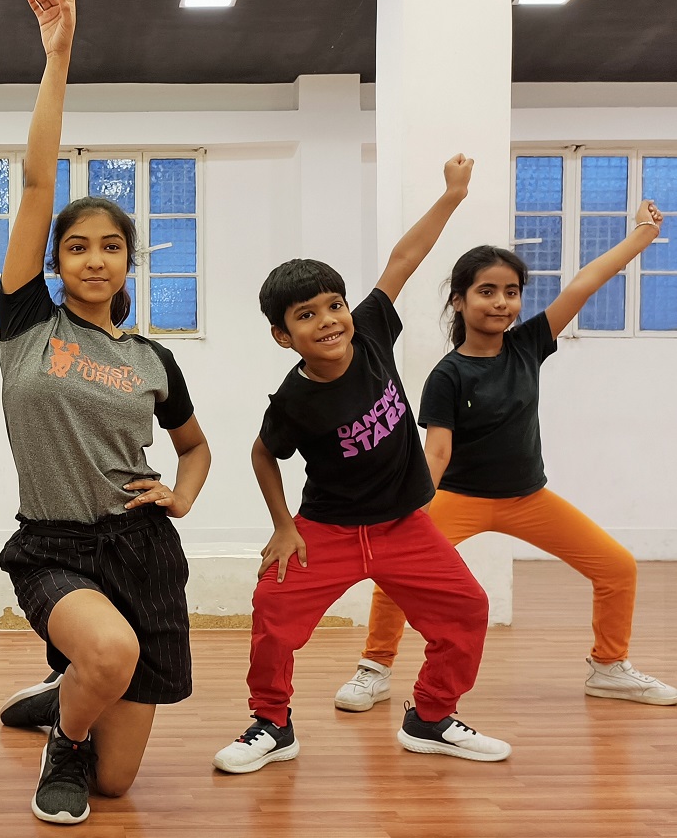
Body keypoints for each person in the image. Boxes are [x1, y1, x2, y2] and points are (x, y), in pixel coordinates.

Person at [0, 0, 212, 825]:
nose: (93, 258)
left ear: (128, 262)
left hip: (140, 548)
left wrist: (181, 496)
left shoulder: (154, 359)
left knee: (118, 784)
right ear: (56, 262)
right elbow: (36, 185)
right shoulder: (28, 325)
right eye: (77, 246)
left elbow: (194, 445)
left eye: (110, 247)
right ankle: (65, 736)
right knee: (110, 653)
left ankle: (67, 692)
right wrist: (59, 57)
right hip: (55, 544)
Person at [213, 155, 512, 775]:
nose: (328, 321)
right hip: (328, 530)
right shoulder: (294, 400)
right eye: (306, 315)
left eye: (334, 305)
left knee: (467, 610)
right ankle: (272, 724)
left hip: (403, 524)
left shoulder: (371, 330)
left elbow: (404, 258)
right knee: (273, 612)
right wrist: (283, 527)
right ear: (283, 336)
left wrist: (452, 194)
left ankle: (431, 718)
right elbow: (263, 453)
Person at [334, 200, 676, 712]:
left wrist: (642, 237)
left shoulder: (527, 345)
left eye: (511, 292)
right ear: (459, 300)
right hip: (459, 498)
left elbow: (583, 285)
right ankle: (374, 667)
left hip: (527, 498)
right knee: (396, 573)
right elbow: (438, 450)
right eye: (487, 291)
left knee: (618, 568)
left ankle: (609, 667)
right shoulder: (448, 375)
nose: (500, 303)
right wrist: (413, 510)